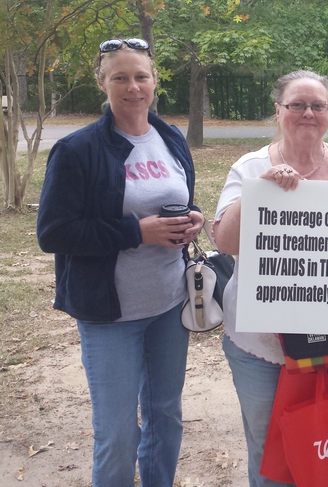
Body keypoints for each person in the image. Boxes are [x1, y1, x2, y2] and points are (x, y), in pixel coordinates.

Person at [37, 37, 205, 487]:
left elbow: (177, 199)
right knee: (116, 435)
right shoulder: (77, 150)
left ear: (154, 82)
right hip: (109, 314)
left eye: (141, 76)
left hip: (169, 306)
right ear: (102, 82)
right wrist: (137, 232)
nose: (133, 87)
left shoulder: (169, 136)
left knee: (165, 417)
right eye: (121, 78)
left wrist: (193, 219)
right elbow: (53, 233)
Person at [213, 70, 328, 487]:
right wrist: (260, 191)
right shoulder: (249, 166)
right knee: (271, 450)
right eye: (297, 105)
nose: (308, 113)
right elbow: (225, 241)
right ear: (278, 110)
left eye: (317, 105)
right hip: (261, 344)